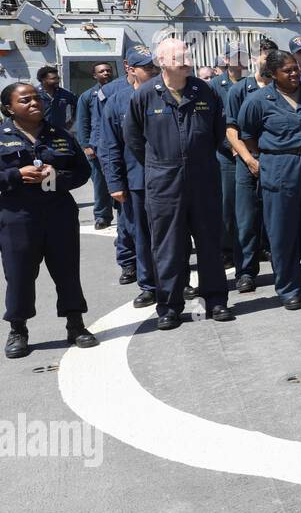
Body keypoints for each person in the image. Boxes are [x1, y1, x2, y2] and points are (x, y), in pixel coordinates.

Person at [124, 40, 234, 329]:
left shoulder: (205, 91)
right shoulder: (146, 95)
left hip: (203, 179)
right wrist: (161, 162)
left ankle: (216, 300)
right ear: (161, 61)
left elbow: (217, 132)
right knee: (168, 246)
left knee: (210, 242)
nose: (185, 59)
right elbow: (134, 139)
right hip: (163, 181)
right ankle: (170, 306)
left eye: (187, 53)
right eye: (178, 55)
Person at [0, 81, 97, 358]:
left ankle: (75, 324)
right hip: (17, 217)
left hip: (59, 214)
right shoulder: (1, 136)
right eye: (25, 100)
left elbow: (82, 172)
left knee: (67, 271)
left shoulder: (60, 135)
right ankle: (18, 329)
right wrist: (16, 175)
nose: (34, 104)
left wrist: (57, 177)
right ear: (9, 108)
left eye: (37, 99)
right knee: (19, 275)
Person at [237, 48, 301, 309]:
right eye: (287, 70)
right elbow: (247, 134)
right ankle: (289, 288)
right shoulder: (258, 100)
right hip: (279, 165)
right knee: (282, 230)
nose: (294, 73)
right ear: (273, 74)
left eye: (295, 68)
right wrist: (263, 158)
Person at [97, 50, 158, 308]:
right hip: (135, 181)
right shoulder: (117, 102)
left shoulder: (167, 95)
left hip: (168, 179)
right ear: (130, 68)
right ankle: (149, 285)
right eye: (147, 68)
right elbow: (109, 146)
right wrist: (115, 184)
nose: (153, 72)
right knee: (141, 236)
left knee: (173, 234)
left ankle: (178, 279)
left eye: (156, 67)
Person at [224, 40, 275, 293]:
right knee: (245, 220)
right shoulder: (239, 90)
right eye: (264, 57)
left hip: (277, 162)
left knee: (278, 218)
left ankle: (282, 264)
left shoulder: (285, 88)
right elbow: (231, 130)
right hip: (247, 162)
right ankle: (245, 271)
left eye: (272, 57)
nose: (268, 62)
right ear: (254, 59)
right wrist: (250, 159)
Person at [212, 43, 248, 269]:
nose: (240, 59)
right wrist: (231, 146)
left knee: (250, 203)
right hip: (226, 154)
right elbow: (214, 123)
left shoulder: (250, 84)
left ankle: (251, 245)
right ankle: (226, 249)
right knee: (227, 203)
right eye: (235, 56)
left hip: (250, 149)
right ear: (225, 60)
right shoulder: (215, 86)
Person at [75, 62, 115, 230]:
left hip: (118, 145)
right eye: (102, 71)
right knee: (100, 183)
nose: (105, 73)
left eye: (108, 70)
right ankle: (102, 216)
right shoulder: (87, 96)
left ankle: (126, 215)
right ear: (95, 75)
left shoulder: (121, 90)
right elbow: (82, 122)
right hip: (96, 145)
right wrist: (86, 146)